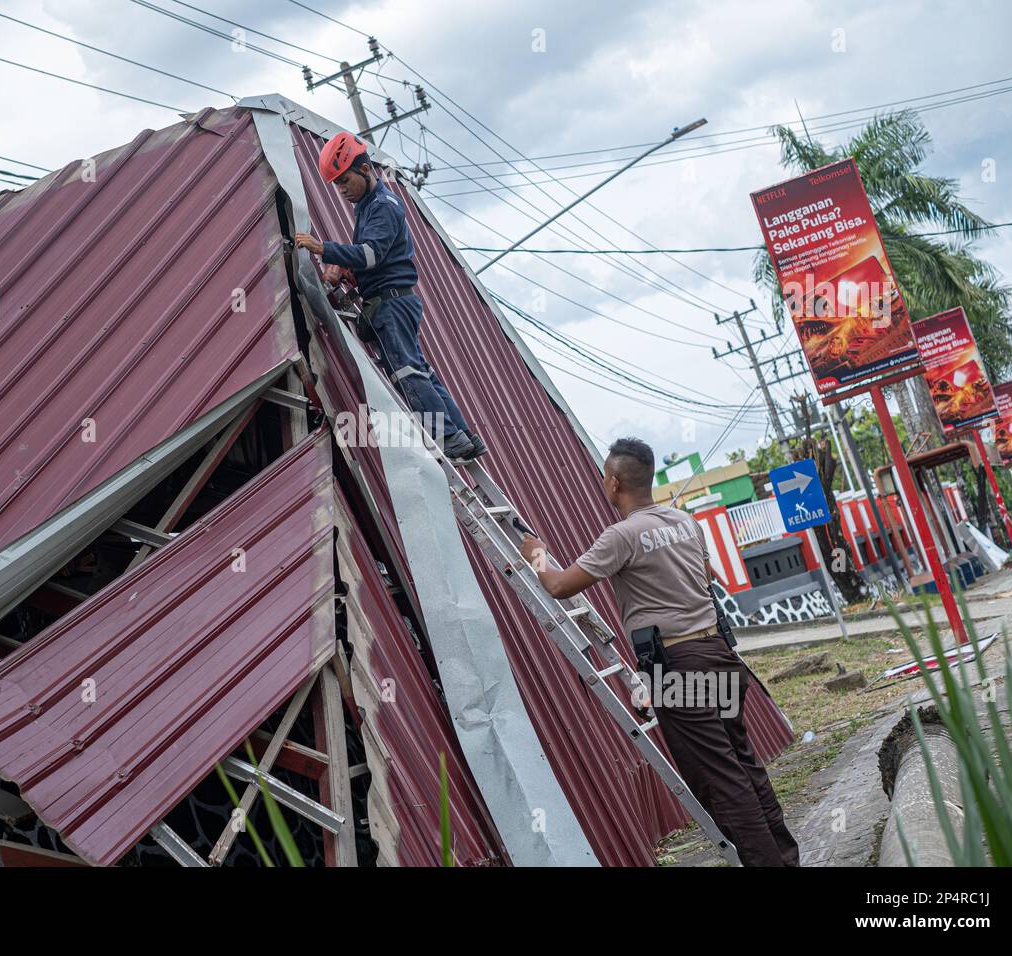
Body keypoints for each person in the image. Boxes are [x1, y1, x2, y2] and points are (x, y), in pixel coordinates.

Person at [518, 436, 800, 867]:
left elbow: (557, 586)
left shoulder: (621, 536)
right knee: (743, 766)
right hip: (718, 652)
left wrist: (536, 556)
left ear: (613, 483)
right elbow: (706, 572)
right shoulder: (686, 522)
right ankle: (784, 857)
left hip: (677, 668)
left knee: (719, 780)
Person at [293, 131, 486, 461]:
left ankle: (448, 437)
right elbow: (378, 260)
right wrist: (345, 267)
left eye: (345, 180)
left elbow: (371, 255)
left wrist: (324, 249)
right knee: (420, 370)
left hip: (391, 304)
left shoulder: (381, 206)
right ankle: (463, 436)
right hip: (396, 298)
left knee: (407, 372)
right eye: (336, 185)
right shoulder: (372, 206)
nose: (342, 190)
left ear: (365, 169)